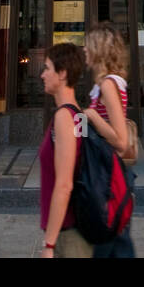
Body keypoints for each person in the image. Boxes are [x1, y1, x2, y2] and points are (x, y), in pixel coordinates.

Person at [83, 21, 135, 259]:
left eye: (88, 46)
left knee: (109, 238)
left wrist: (92, 116)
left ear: (99, 49)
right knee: (115, 241)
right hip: (109, 172)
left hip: (110, 174)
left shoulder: (108, 85)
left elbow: (121, 141)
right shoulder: (106, 84)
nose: (84, 50)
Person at [38, 43, 92, 259]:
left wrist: (49, 245)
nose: (42, 75)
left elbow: (64, 184)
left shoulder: (64, 117)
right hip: (79, 225)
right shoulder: (79, 115)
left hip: (69, 234)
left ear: (62, 74)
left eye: (47, 68)